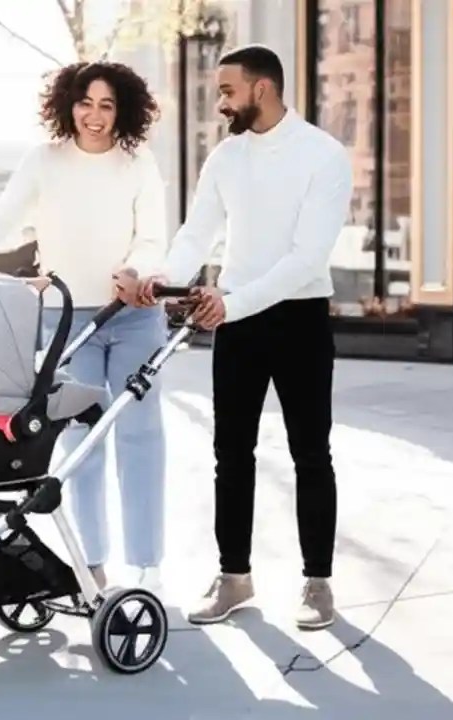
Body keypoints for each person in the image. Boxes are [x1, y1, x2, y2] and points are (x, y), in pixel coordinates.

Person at [0, 61, 170, 593]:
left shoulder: (138, 163)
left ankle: (147, 567)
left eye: (107, 105)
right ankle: (94, 565)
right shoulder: (45, 161)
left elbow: (153, 235)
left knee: (140, 434)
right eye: (86, 102)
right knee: (80, 441)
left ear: (122, 110)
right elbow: (3, 218)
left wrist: (139, 269)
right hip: (68, 321)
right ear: (68, 104)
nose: (95, 115)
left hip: (133, 316)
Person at [136, 44, 352, 630]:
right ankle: (235, 577)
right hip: (235, 320)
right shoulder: (225, 159)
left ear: (262, 88)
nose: (221, 101)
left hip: (300, 318)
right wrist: (162, 278)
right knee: (230, 454)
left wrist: (232, 303)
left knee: (312, 454)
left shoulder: (323, 156)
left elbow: (307, 257)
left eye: (228, 90)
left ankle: (318, 583)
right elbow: (196, 233)